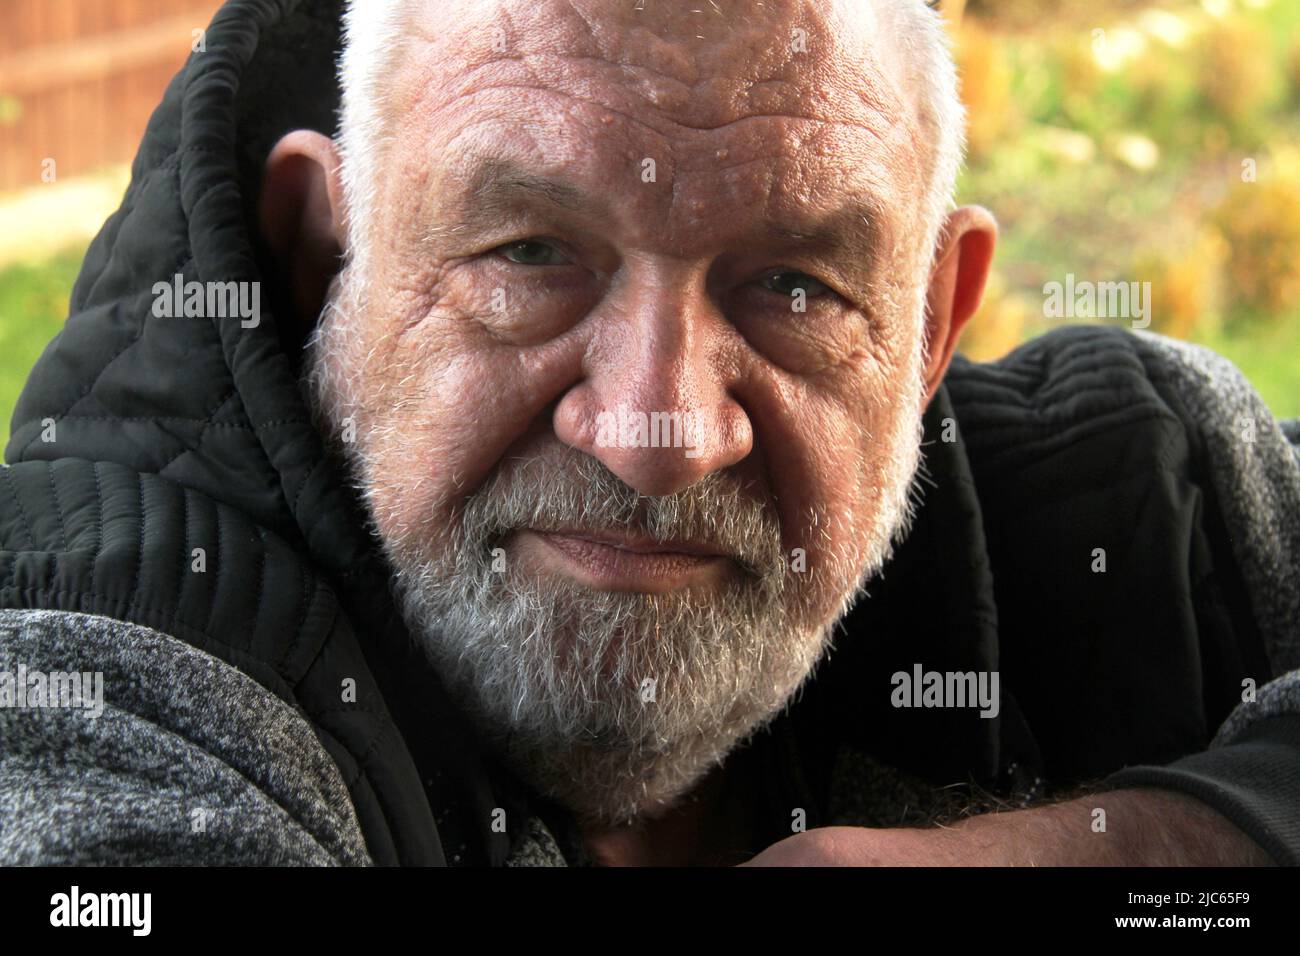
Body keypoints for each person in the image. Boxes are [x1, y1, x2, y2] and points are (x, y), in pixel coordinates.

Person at [1, 0, 1296, 867]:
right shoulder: (92, 689)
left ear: (930, 328)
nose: (656, 429)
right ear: (322, 254)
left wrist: (1151, 841)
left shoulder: (1148, 507)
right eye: (532, 253)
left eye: (794, 287)